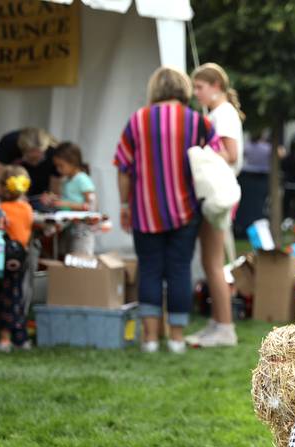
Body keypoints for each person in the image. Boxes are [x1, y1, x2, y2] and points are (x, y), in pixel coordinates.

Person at [115, 66, 215, 354]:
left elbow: (123, 167)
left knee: (149, 269)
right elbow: (217, 160)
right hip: (185, 209)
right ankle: (176, 338)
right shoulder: (197, 122)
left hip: (144, 210)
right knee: (179, 270)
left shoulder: (137, 120)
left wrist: (124, 204)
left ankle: (148, 339)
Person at [190, 62, 244, 348]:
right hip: (217, 193)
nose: (196, 92)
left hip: (219, 194)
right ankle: (217, 322)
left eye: (200, 87)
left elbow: (231, 154)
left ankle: (224, 327)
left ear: (216, 87)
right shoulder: (219, 113)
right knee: (210, 261)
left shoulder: (223, 115)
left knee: (213, 262)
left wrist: (200, 154)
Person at [0, 166, 34, 352]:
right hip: (21, 258)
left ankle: (5, 339)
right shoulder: (27, 208)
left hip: (3, 258)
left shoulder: (1, 210)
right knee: (18, 296)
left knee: (4, 297)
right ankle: (20, 338)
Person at [0, 127, 59, 209]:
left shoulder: (54, 151)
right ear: (22, 152)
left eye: (39, 158)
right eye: (32, 159)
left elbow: (55, 191)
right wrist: (14, 196)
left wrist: (50, 196)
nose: (35, 163)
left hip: (39, 197)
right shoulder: (9, 144)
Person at [51, 142, 96, 255]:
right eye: (56, 166)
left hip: (82, 227)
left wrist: (65, 203)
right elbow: (67, 199)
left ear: (73, 162)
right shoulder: (66, 181)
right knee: (65, 254)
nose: (58, 169)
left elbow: (91, 205)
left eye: (61, 166)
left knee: (79, 256)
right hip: (69, 226)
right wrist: (55, 200)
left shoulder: (82, 179)